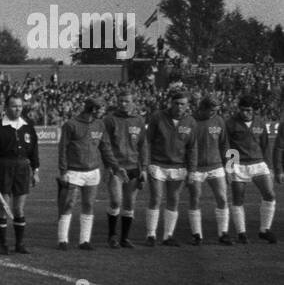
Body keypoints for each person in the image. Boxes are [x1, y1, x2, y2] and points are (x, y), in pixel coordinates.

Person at [55, 97, 120, 250]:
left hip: (93, 172)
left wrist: (115, 166)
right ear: (93, 109)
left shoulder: (100, 124)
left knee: (89, 204)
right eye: (102, 109)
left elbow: (105, 148)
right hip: (73, 171)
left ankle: (84, 241)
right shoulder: (71, 125)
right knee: (68, 204)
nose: (103, 112)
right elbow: (62, 149)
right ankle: (62, 240)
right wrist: (63, 171)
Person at [138, 90, 194, 246]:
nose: (179, 106)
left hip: (179, 166)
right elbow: (146, 142)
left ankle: (168, 236)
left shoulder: (190, 122)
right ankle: (151, 235)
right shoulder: (158, 117)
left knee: (173, 200)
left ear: (187, 105)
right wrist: (145, 164)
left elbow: (192, 148)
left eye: (182, 103)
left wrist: (192, 170)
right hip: (158, 164)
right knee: (156, 198)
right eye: (176, 103)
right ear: (170, 103)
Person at [0, 93, 39, 254]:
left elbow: (34, 151)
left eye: (20, 106)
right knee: (3, 207)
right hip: (4, 168)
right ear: (6, 107)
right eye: (14, 106)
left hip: (23, 167)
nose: (17, 109)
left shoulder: (28, 125)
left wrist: (35, 171)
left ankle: (19, 244)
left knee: (19, 209)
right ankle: (3, 244)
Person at [223, 95, 276, 243]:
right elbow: (227, 146)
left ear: (254, 110)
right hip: (238, 165)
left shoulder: (260, 122)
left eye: (248, 110)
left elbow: (265, 146)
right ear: (238, 109)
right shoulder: (230, 123)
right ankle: (241, 233)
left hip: (258, 164)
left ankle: (265, 229)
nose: (245, 113)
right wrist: (228, 168)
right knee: (238, 199)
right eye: (243, 110)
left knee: (270, 194)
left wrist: (269, 167)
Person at [185, 96, 231, 245]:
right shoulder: (190, 121)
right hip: (196, 168)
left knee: (223, 198)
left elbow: (225, 145)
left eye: (216, 110)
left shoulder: (219, 121)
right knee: (195, 198)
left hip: (216, 166)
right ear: (202, 108)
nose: (214, 113)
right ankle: (197, 234)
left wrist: (230, 168)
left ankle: (223, 233)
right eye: (212, 110)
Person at [103, 90, 145, 248]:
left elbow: (143, 146)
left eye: (127, 101)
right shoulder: (110, 120)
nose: (123, 104)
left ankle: (124, 239)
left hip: (134, 168)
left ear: (133, 102)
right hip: (116, 168)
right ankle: (112, 236)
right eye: (120, 101)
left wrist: (144, 169)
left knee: (129, 204)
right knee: (115, 200)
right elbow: (105, 146)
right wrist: (109, 166)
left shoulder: (139, 121)